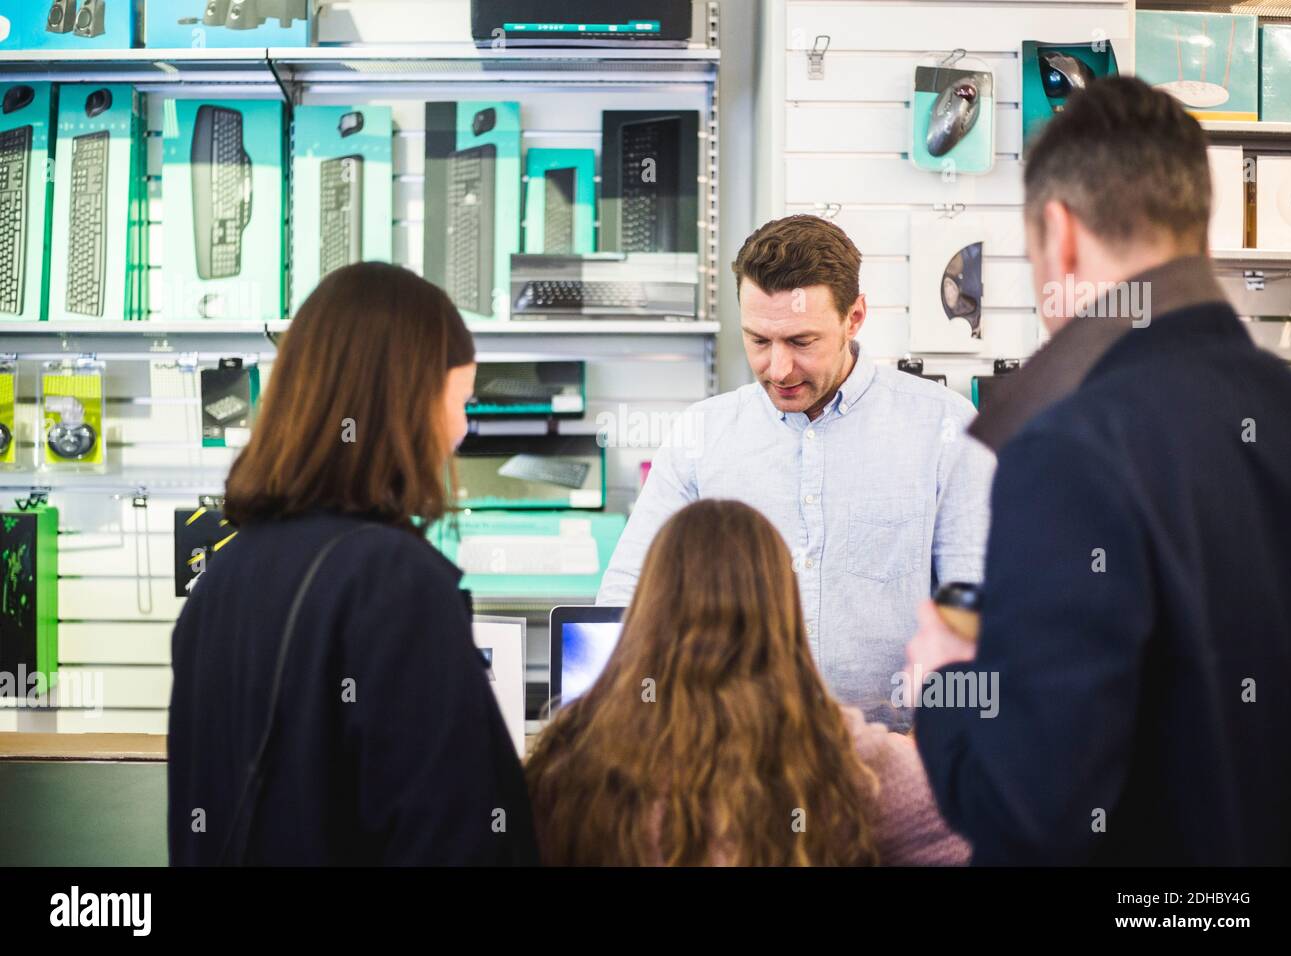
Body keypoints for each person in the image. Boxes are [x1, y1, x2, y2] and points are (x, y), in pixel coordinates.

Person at [907, 76, 1291, 865]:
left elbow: (1029, 810)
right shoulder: (1286, 405)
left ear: (1063, 235)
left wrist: (945, 683)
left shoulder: (1068, 451)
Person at [168, 262, 538, 866]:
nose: (461, 431)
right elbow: (452, 835)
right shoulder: (392, 583)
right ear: (406, 403)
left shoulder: (223, 582)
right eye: (460, 402)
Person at [597, 215, 995, 729]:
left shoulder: (945, 429)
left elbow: (978, 619)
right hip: (734, 763)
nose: (778, 369)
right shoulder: (701, 435)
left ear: (854, 318)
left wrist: (935, 757)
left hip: (894, 765)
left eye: (801, 342)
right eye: (759, 341)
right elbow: (626, 602)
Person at [529, 498, 969, 866]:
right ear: (784, 617)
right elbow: (978, 833)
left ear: (647, 611)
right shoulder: (847, 760)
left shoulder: (572, 760)